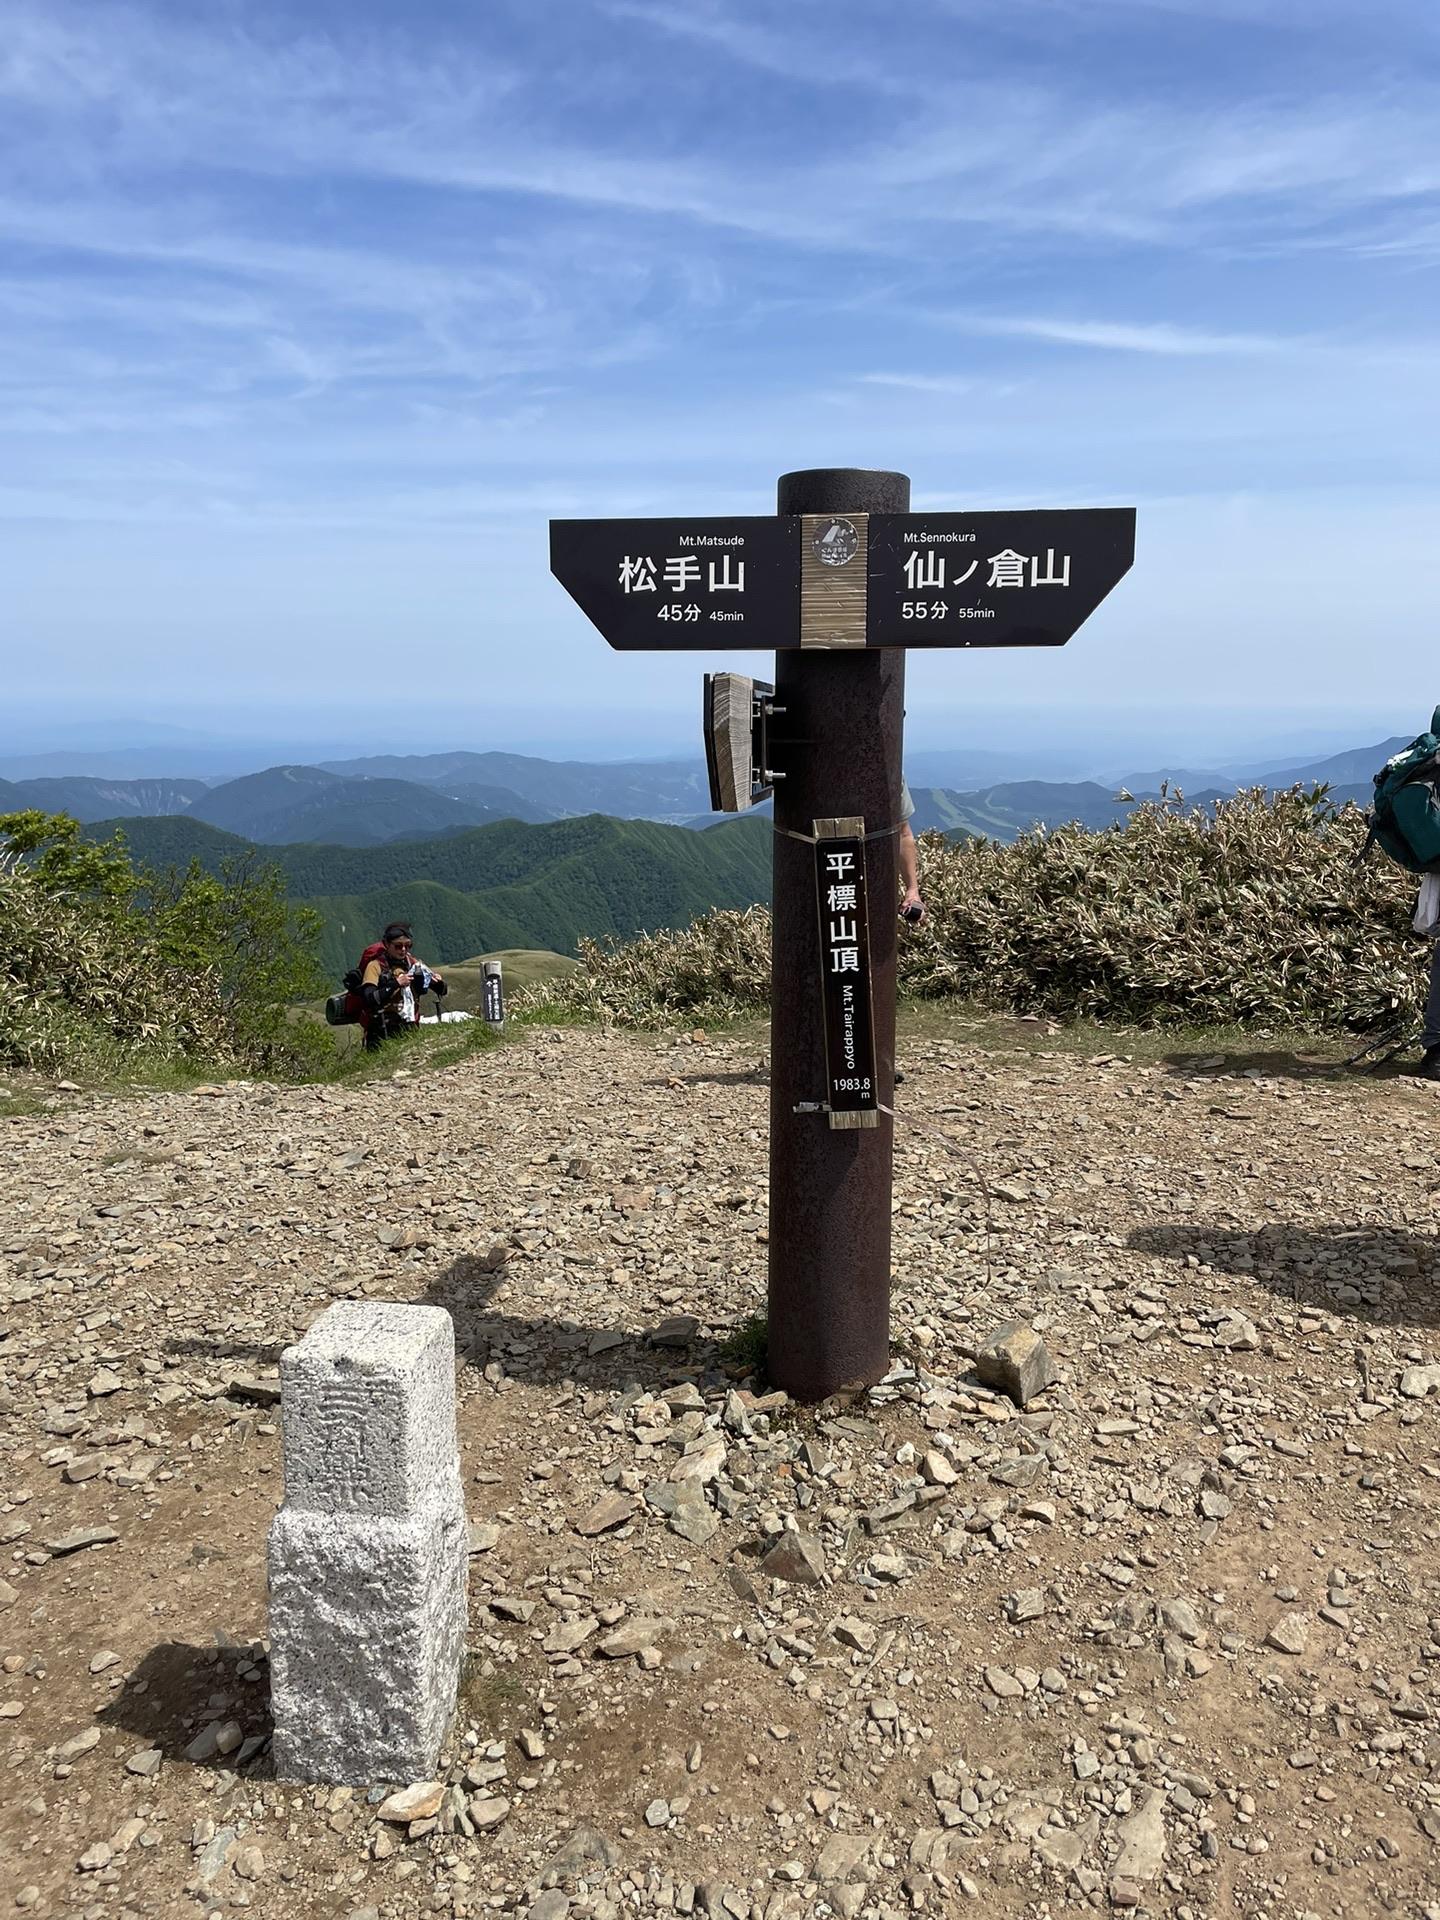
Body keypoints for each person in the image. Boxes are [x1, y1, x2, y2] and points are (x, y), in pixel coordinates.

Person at [359, 922, 446, 1051]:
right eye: (398, 946)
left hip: (410, 1028)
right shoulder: (375, 966)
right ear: (387, 944)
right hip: (382, 1031)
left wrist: (437, 982)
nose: (404, 950)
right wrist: (396, 984)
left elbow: (443, 990)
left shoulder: (413, 964)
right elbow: (369, 998)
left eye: (408, 945)